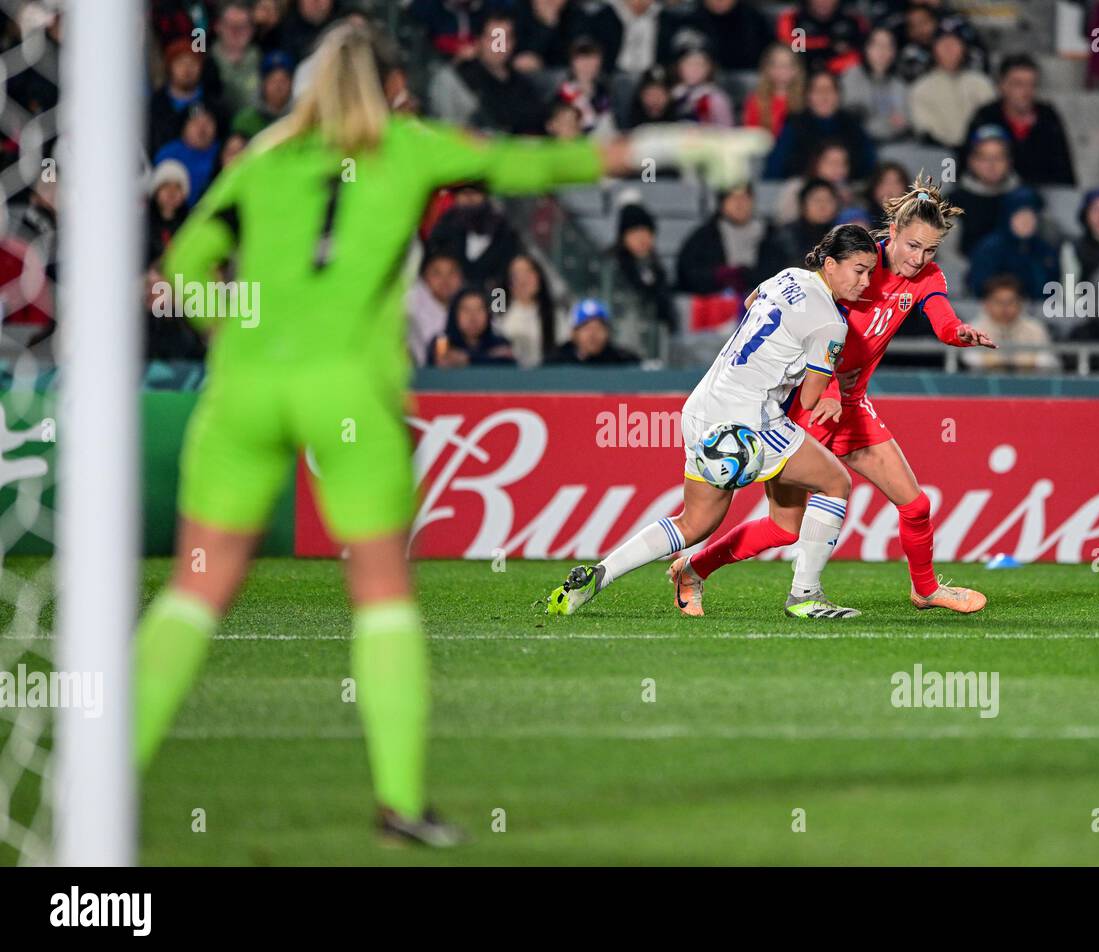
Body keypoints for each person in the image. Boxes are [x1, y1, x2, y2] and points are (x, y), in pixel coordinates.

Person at [131, 19, 771, 848]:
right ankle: (400, 804)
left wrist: (237, 328)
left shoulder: (265, 158)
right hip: (348, 394)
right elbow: (540, 161)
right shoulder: (411, 146)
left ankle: (101, 785)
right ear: (393, 87)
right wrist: (675, 142)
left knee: (195, 590)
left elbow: (179, 270)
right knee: (380, 596)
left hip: (243, 391)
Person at [671, 180, 996, 617]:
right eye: (913, 246)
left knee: (916, 504)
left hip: (853, 406)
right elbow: (814, 327)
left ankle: (925, 590)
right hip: (808, 406)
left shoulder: (927, 278)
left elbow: (941, 320)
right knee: (784, 528)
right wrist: (824, 389)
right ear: (893, 232)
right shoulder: (857, 265)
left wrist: (959, 333)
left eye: (931, 251)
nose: (919, 260)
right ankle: (696, 567)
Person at [546, 225, 880, 620]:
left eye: (871, 272)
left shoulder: (788, 276)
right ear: (830, 263)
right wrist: (833, 389)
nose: (866, 281)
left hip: (704, 405)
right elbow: (809, 398)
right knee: (835, 482)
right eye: (858, 270)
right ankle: (805, 596)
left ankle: (600, 576)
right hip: (750, 419)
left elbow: (753, 299)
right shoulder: (831, 324)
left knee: (698, 523)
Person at [964, 54, 1075, 186]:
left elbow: (1064, 172)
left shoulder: (1048, 117)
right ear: (1002, 86)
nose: (1026, 91)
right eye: (1018, 84)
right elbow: (968, 169)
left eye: (1032, 84)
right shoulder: (985, 116)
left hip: (1043, 197)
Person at [763, 69, 876, 181]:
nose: (824, 96)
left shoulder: (852, 124)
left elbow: (868, 165)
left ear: (838, 95)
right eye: (817, 91)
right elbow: (775, 167)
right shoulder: (795, 125)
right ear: (808, 96)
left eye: (829, 90)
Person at [966, 187, 1060, 302]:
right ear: (1007, 218)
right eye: (1020, 216)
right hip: (998, 313)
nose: (1026, 222)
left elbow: (1054, 287)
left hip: (1039, 312)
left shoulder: (1045, 250)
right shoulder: (989, 249)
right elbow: (979, 286)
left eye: (1031, 216)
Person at [908, 27, 995, 149]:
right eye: (943, 44)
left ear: (963, 48)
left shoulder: (981, 82)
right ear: (934, 49)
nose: (949, 49)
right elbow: (925, 129)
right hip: (939, 153)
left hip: (980, 151)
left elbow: (991, 120)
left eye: (954, 44)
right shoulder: (921, 87)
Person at [678, 182, 767, 296]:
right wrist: (718, 276)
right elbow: (688, 275)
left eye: (744, 197)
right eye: (733, 197)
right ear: (722, 202)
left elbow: (779, 274)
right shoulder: (704, 237)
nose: (739, 203)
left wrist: (745, 275)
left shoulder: (769, 235)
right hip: (716, 305)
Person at [960, 274, 1060, 372]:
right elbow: (969, 361)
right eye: (998, 302)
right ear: (986, 304)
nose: (1005, 308)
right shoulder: (974, 329)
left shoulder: (1035, 329)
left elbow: (1048, 362)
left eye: (1010, 302)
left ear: (1020, 303)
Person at [948, 124, 1020, 257]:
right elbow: (948, 257)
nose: (991, 165)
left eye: (998, 157)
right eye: (984, 158)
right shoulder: (952, 203)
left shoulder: (1025, 197)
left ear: (1009, 161)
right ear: (971, 161)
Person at [839, 25, 910, 143]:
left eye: (889, 46)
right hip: (860, 142)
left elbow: (903, 120)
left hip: (896, 142)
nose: (883, 51)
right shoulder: (851, 76)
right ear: (867, 48)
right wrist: (887, 122)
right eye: (878, 45)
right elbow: (854, 118)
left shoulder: (899, 82)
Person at [613, 201, 676, 329]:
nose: (642, 238)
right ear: (623, 237)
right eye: (635, 232)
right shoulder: (612, 265)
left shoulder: (656, 267)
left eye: (646, 232)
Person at [406, 248, 464, 366]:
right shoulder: (412, 302)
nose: (445, 280)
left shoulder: (472, 302)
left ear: (461, 278)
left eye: (452, 273)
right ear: (424, 278)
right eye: (437, 273)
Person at [499, 253, 559, 368]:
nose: (523, 279)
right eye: (516, 274)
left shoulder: (556, 315)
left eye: (528, 272)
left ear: (539, 277)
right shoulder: (498, 311)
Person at [431, 287, 516, 366]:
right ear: (454, 314)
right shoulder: (442, 342)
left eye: (479, 310)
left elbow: (508, 364)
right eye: (466, 310)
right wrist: (489, 357)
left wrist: (466, 359)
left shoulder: (500, 343)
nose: (473, 317)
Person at [545, 298, 642, 365]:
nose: (593, 334)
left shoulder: (622, 360)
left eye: (599, 328)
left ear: (607, 333)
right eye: (586, 328)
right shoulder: (557, 361)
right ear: (573, 333)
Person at [743, 44, 805, 138]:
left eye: (786, 65)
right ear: (767, 68)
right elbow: (750, 135)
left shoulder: (805, 100)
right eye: (775, 65)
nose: (781, 70)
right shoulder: (756, 100)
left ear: (796, 69)